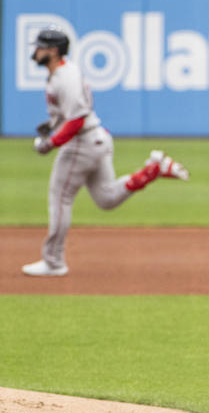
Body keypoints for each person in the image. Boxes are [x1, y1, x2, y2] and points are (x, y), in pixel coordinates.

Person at [22, 27, 189, 277]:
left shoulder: (63, 77)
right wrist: (53, 125)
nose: (35, 51)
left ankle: (53, 262)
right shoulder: (63, 72)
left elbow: (77, 120)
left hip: (81, 143)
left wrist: (50, 143)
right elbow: (72, 114)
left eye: (40, 47)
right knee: (107, 198)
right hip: (96, 139)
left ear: (53, 51)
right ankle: (153, 169)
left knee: (60, 198)